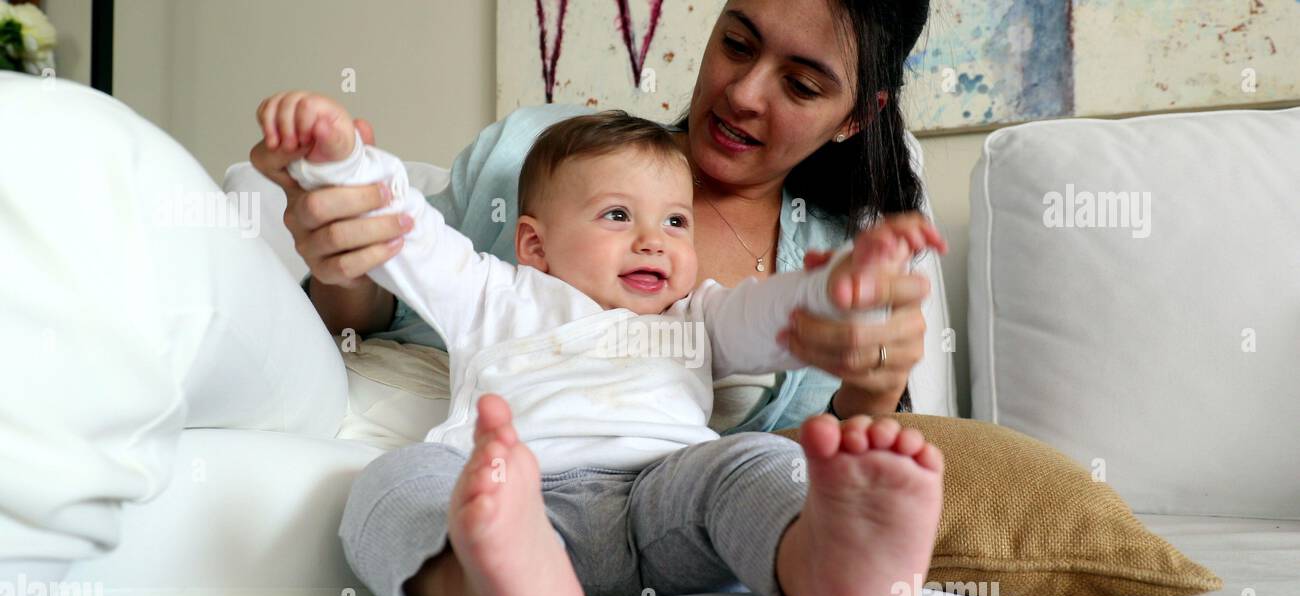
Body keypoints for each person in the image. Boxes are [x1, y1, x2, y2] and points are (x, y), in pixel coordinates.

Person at [262, 94, 946, 596]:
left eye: (676, 221)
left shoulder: (693, 318)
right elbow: (406, 232)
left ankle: (828, 568)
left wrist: (841, 288)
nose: (654, 238)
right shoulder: (494, 294)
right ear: (534, 243)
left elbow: (774, 317)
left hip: (667, 499)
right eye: (618, 215)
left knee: (756, 460)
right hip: (521, 503)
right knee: (390, 482)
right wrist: (341, 164)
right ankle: (485, 582)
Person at [250, 0, 944, 436]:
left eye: (799, 84)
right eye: (736, 42)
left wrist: (867, 395)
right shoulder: (532, 156)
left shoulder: (824, 259)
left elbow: (800, 464)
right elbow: (384, 296)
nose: (742, 92)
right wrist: (342, 228)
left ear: (856, 116)